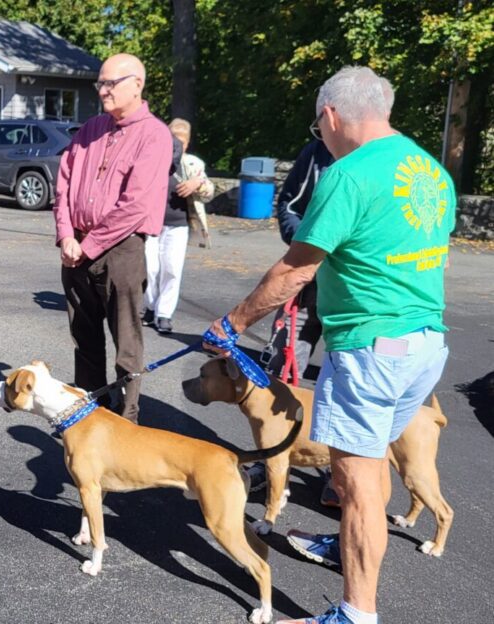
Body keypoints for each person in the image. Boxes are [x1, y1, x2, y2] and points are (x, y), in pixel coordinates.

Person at [206, 66, 454, 624]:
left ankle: (355, 613)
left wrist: (234, 321)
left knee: (358, 482)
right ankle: (349, 548)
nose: (320, 133)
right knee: (363, 470)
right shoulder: (430, 169)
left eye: (318, 124)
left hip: (370, 346)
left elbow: (296, 270)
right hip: (424, 344)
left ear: (332, 115)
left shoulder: (349, 175)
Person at [54, 53, 173, 422]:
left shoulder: (154, 135)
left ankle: (126, 420)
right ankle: (89, 415)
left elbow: (134, 205)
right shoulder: (90, 129)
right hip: (77, 246)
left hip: (121, 250)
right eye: (100, 84)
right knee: (84, 339)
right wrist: (66, 236)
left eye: (110, 83)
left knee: (126, 343)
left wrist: (86, 246)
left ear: (137, 84)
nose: (102, 91)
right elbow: (64, 185)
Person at [246, 138, 339, 504]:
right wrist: (307, 244)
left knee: (342, 378)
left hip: (350, 293)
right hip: (307, 277)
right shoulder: (317, 151)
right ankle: (274, 459)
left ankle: (339, 466)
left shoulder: (383, 158)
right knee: (284, 369)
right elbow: (289, 205)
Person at [143, 118, 214, 334]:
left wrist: (197, 183)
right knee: (151, 268)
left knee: (172, 269)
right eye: (174, 140)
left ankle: (164, 314)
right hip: (152, 223)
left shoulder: (193, 165)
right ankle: (150, 306)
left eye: (182, 142)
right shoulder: (153, 160)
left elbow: (209, 191)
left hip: (179, 224)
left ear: (188, 142)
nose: (177, 146)